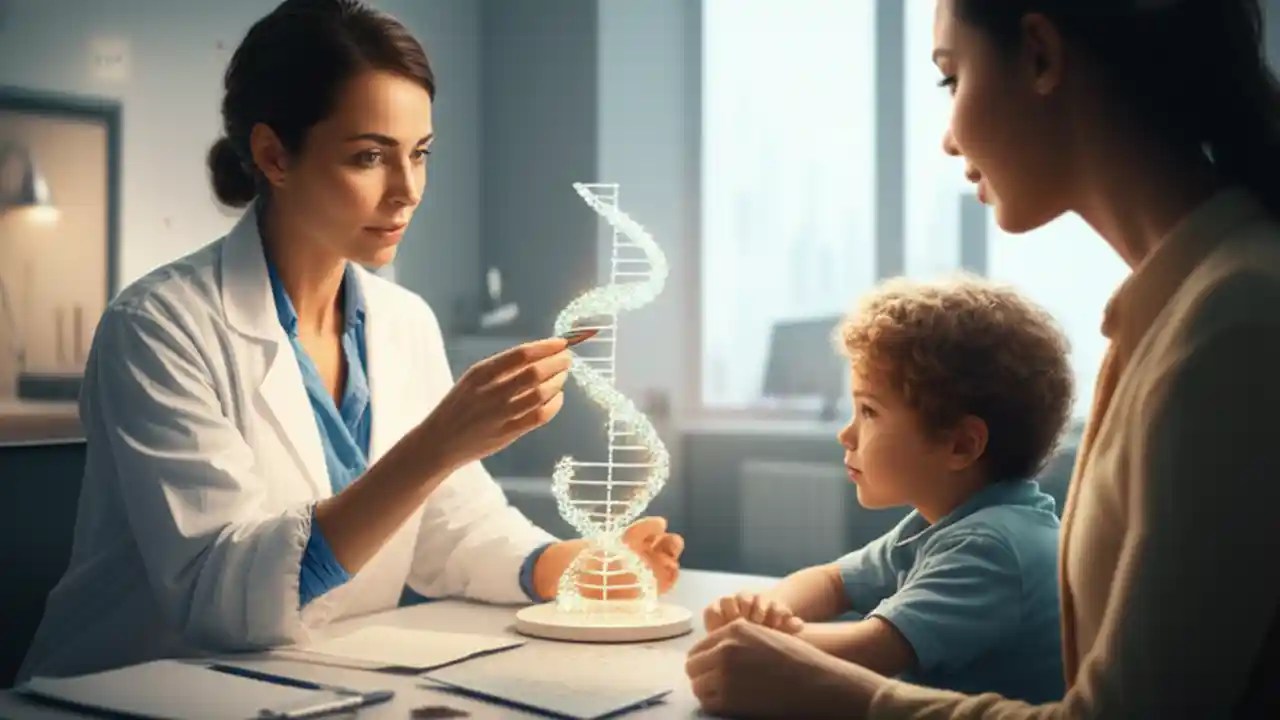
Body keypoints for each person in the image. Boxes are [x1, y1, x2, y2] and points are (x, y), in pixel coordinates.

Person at [18, 0, 683, 683]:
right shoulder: (158, 328)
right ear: (274, 155)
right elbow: (219, 594)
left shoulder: (403, 322)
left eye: (419, 155)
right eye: (369, 157)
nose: (407, 192)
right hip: (128, 688)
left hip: (321, 684)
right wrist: (439, 443)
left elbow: (451, 530)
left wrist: (569, 566)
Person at [686, 0, 1280, 716]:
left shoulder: (1235, 322)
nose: (945, 138)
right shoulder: (1182, 311)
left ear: (1039, 56)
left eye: (950, 77)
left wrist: (827, 692)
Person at [702, 276, 1072, 703]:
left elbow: (869, 652)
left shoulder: (992, 548)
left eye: (869, 411)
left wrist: (757, 637)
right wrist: (765, 610)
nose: (846, 433)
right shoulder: (947, 521)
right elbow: (831, 581)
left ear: (961, 444)